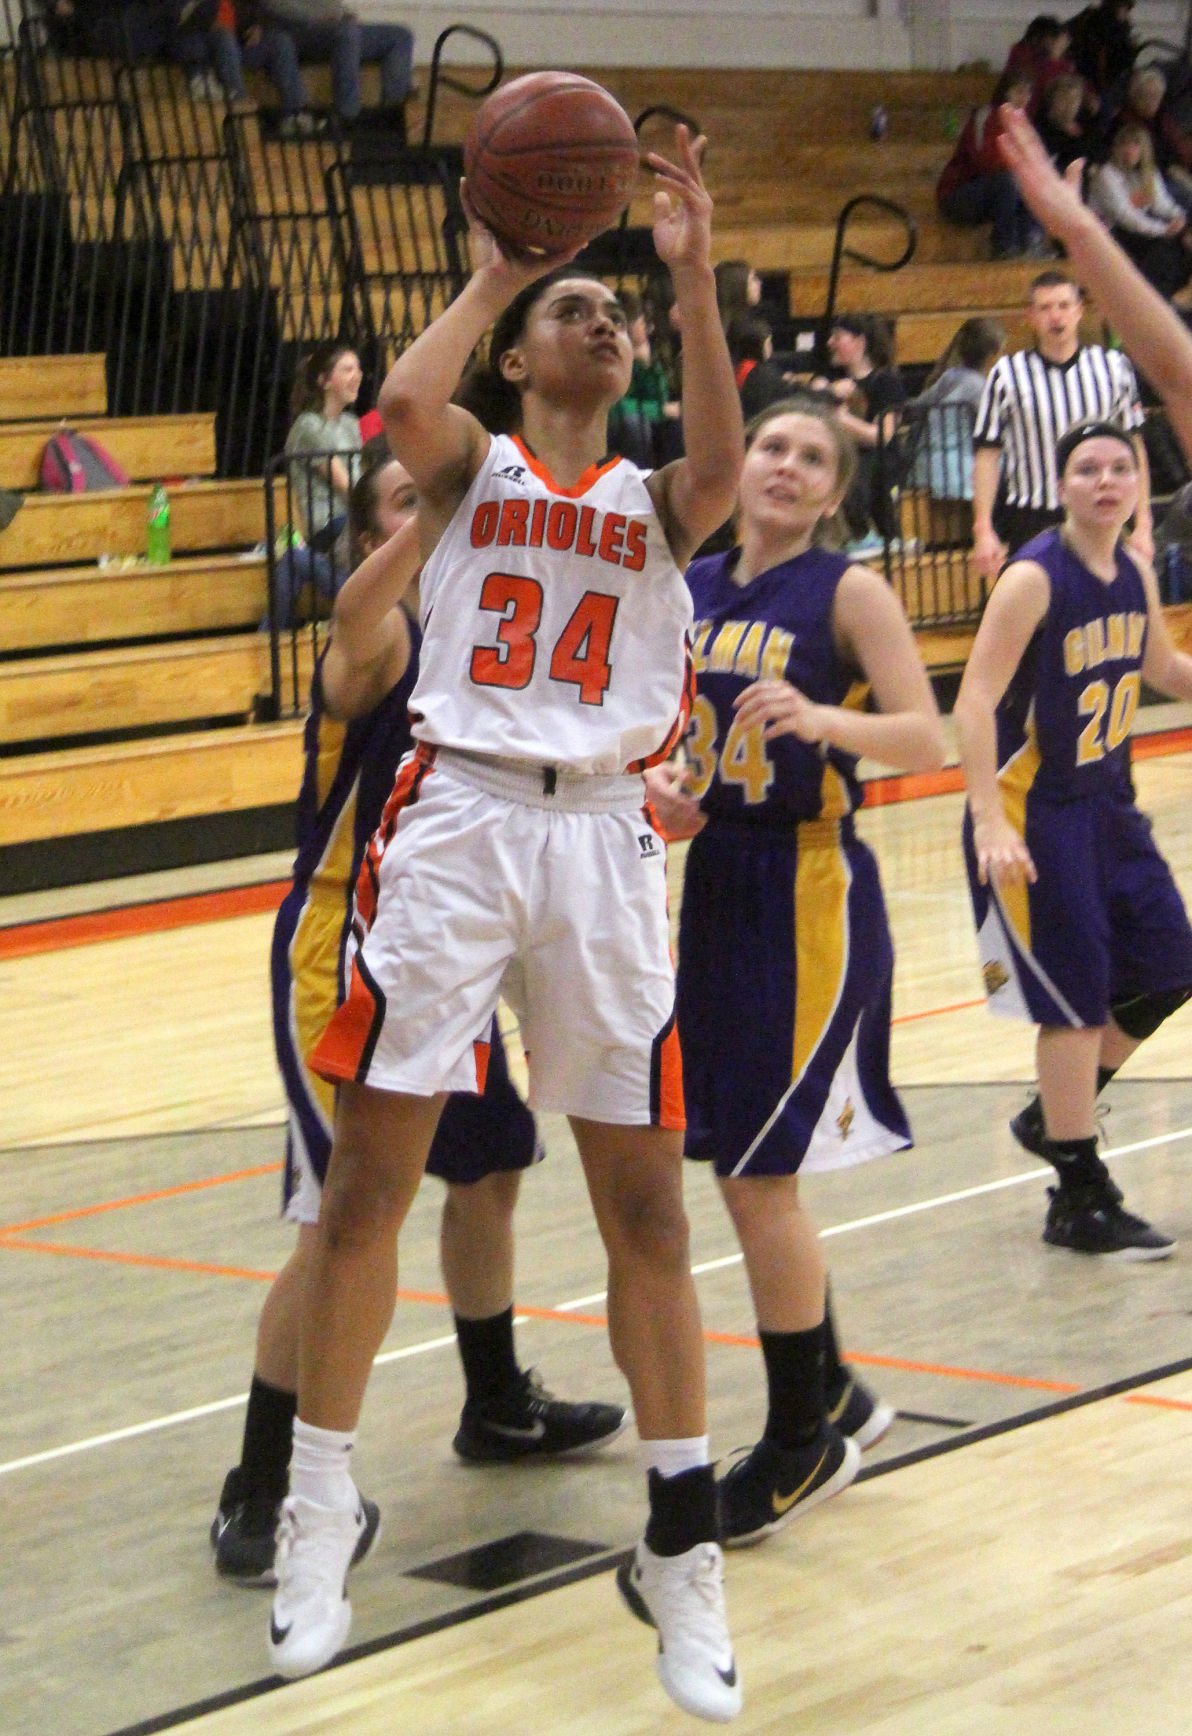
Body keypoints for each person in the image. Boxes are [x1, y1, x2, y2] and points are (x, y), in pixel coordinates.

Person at [266, 126, 746, 1725]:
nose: (599, 322)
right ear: (526, 355)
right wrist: (499, 269)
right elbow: (406, 408)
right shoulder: (473, 468)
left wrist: (689, 282)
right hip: (463, 818)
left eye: (614, 316)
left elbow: (724, 465)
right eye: (575, 310)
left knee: (649, 1212)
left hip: (603, 837)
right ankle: (318, 1506)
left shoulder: (658, 496)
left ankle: (683, 1544)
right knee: (366, 1188)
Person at [211, 452, 627, 1584]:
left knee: (488, 1168)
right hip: (345, 950)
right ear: (369, 538)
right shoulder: (381, 634)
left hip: (453, 942)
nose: (438, 509)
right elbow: (356, 617)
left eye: (439, 494)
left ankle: (495, 1401)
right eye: (403, 500)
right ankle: (263, 1482)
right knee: (339, 1217)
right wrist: (441, 508)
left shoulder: (495, 635)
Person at [644, 394, 944, 1544]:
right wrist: (664, 787)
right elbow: (667, 731)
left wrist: (825, 719)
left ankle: (796, 1442)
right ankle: (833, 1391)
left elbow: (926, 733)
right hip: (717, 880)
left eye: (811, 457)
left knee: (758, 1176)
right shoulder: (691, 585)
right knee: (733, 1158)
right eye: (770, 444)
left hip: (810, 889)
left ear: (832, 494)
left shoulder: (848, 591)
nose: (783, 464)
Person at [954, 417, 1192, 1257]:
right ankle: (1078, 1196)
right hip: (1035, 810)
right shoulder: (1032, 577)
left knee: (1170, 967)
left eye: (1120, 468)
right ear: (1061, 486)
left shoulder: (1133, 567)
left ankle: (1054, 1114)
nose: (1105, 481)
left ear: (1138, 484)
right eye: (1087, 469)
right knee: (1077, 1002)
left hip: (1109, 806)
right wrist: (987, 820)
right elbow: (973, 700)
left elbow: (1161, 668)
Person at [970, 268, 1152, 579]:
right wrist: (983, 528)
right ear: (1030, 316)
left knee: (1101, 603)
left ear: (1079, 311)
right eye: (1045, 308)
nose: (1056, 316)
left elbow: (1134, 448)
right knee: (1034, 605)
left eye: (1064, 306)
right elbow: (987, 455)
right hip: (1033, 516)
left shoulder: (1113, 367)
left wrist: (1143, 523)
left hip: (1101, 512)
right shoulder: (1007, 374)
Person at [279, 343, 363, 623]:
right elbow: (344, 484)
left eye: (358, 369)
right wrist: (373, 509)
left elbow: (363, 477)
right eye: (348, 369)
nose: (358, 375)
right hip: (328, 523)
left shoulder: (350, 423)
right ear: (325, 381)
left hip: (351, 518)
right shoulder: (309, 426)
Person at [812, 313, 906, 552]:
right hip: (843, 454)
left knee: (858, 468)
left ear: (860, 342)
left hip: (876, 461)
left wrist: (841, 418)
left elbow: (881, 436)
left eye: (837, 337)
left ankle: (867, 535)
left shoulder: (886, 382)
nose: (830, 343)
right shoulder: (830, 380)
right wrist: (824, 393)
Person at [936, 70, 1044, 261]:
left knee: (1033, 183)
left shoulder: (1023, 124)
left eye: (1028, 92)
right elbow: (984, 161)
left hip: (998, 195)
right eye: (1018, 91)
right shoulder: (985, 116)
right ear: (1005, 92)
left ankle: (1030, 242)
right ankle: (1003, 247)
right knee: (1008, 181)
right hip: (960, 194)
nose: (1024, 97)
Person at [905, 315, 1005, 506]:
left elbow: (915, 407)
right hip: (956, 475)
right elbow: (997, 428)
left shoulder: (950, 376)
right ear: (993, 355)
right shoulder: (978, 386)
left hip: (923, 469)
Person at [1088, 124, 1192, 303]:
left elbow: (1161, 204)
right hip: (1111, 230)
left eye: (1136, 145)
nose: (1130, 150)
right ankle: (1160, 299)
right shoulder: (1106, 175)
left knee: (1184, 238)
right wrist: (1164, 230)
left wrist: (1180, 219)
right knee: (1164, 249)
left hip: (1142, 226)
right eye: (1125, 144)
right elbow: (1126, 217)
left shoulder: (1148, 172)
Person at [1036, 72, 1098, 169]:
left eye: (1075, 99)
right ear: (1052, 99)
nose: (1070, 104)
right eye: (1064, 98)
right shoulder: (1039, 124)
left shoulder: (1082, 133)